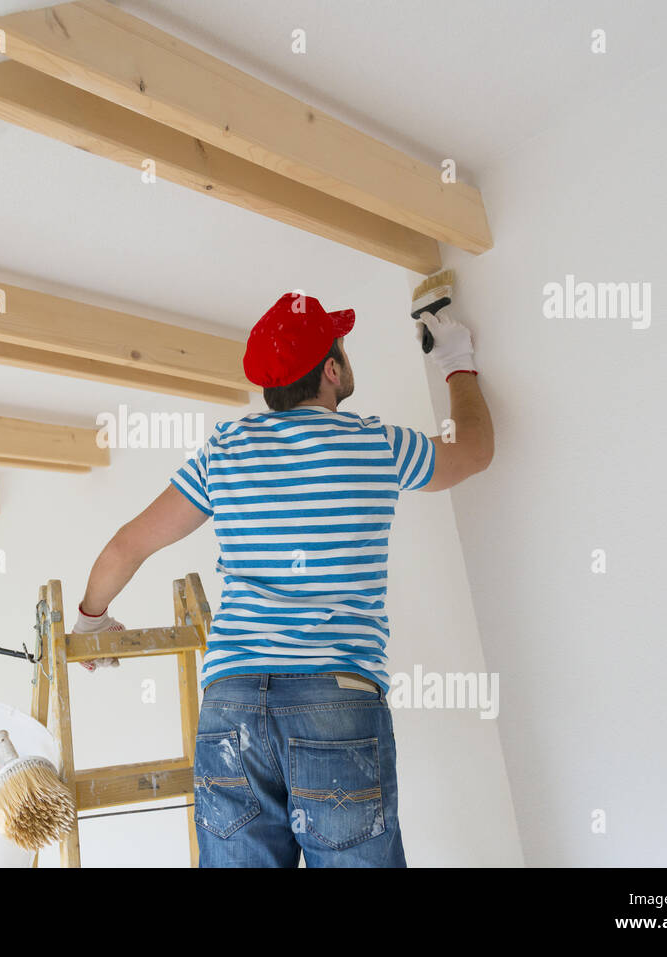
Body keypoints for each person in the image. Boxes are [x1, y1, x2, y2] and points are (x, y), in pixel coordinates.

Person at [72, 289, 493, 866]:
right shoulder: (374, 444)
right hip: (335, 704)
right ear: (331, 370)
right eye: (341, 349)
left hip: (232, 709)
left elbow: (129, 544)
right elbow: (472, 452)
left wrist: (90, 621)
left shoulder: (226, 449)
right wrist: (455, 361)